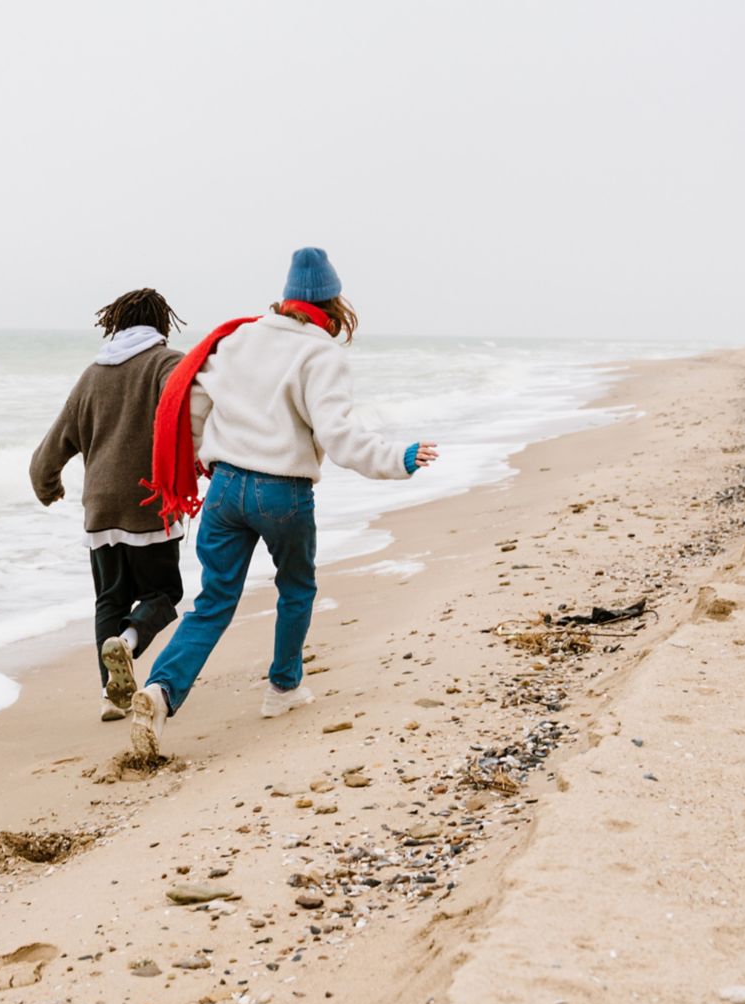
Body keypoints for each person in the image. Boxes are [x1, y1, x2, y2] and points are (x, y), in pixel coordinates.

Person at [121, 248, 439, 756]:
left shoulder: (242, 337)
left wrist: (207, 456)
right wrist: (397, 457)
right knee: (295, 588)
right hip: (283, 493)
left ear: (287, 296)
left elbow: (197, 399)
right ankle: (283, 688)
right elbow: (338, 436)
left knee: (213, 602)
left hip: (225, 489)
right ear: (333, 303)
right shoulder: (322, 354)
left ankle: (160, 691)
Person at [29, 288, 188, 722]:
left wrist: (47, 486)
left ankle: (109, 695)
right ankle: (131, 643)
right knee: (164, 593)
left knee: (109, 601)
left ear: (116, 323)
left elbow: (54, 444)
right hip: (149, 503)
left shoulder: (91, 376)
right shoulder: (165, 362)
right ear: (162, 324)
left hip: (100, 508)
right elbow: (191, 405)